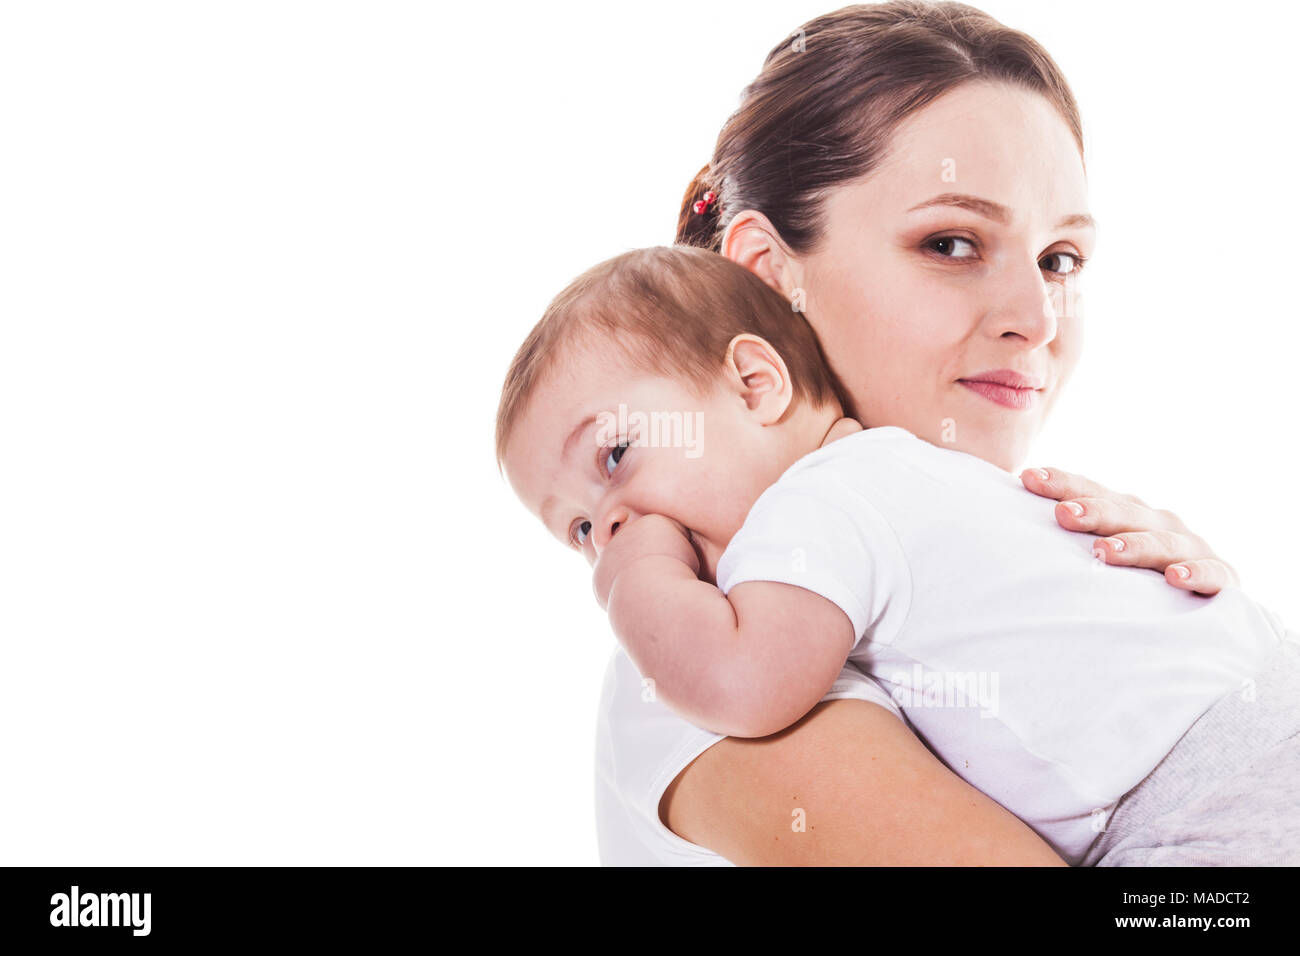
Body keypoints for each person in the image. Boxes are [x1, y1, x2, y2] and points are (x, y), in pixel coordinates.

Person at [538, 1, 1260, 865]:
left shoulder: (981, 571)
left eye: (1059, 260)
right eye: (951, 243)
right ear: (769, 277)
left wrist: (1206, 664)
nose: (1037, 318)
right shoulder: (689, 677)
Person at [494, 244, 1298, 866]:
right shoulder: (903, 474)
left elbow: (739, 684)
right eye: (581, 531)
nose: (613, 530)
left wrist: (636, 582)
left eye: (615, 456)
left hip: (1214, 795)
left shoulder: (814, 504)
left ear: (754, 383)